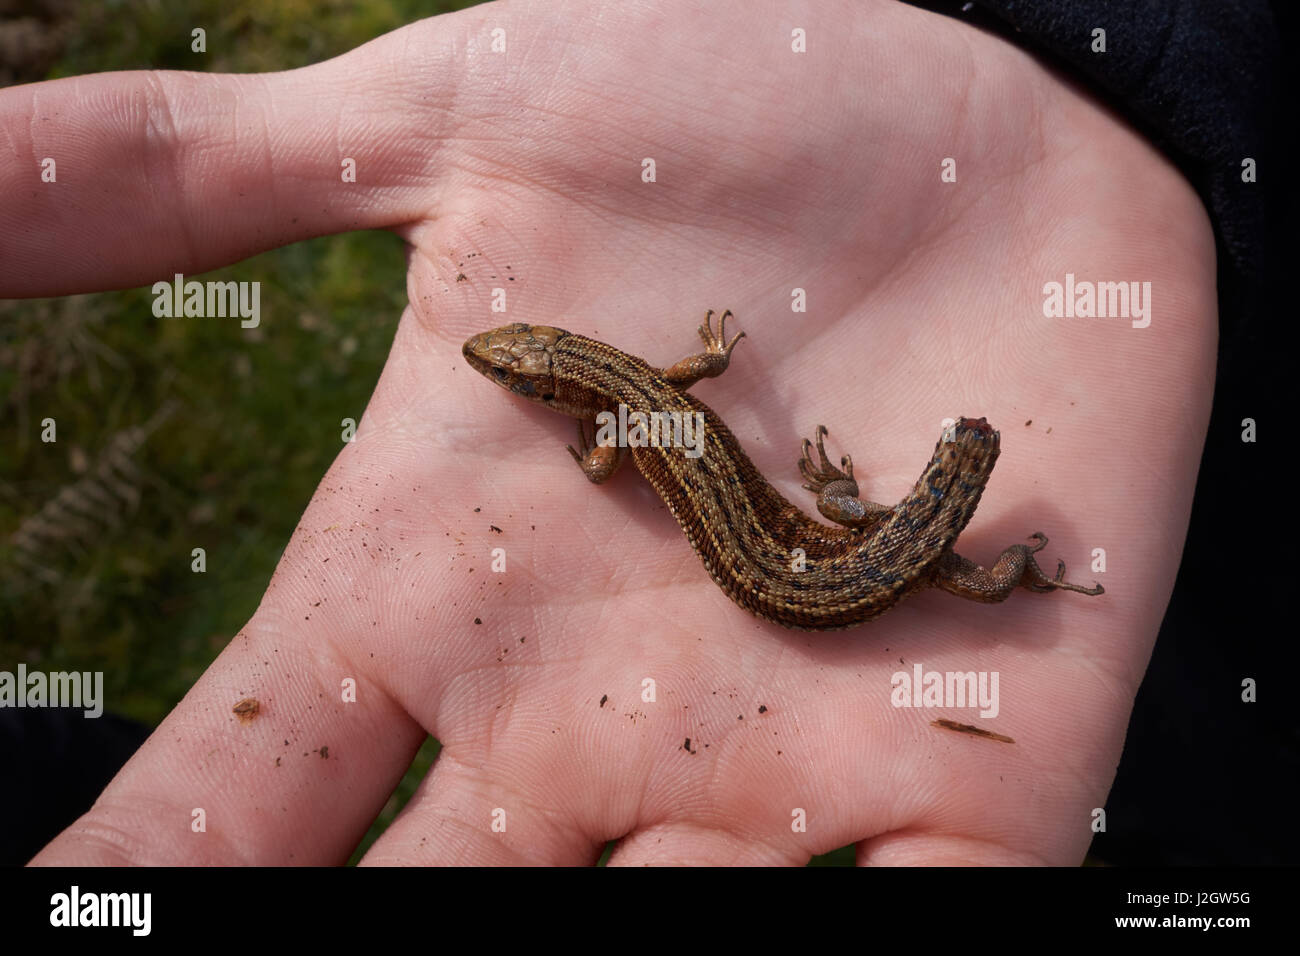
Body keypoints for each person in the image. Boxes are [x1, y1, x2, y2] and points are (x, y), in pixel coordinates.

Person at [3, 0, 1243, 865]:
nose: (502, 370)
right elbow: (688, 375)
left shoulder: (611, 421)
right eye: (510, 365)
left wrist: (597, 449)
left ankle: (1006, 571)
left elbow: (610, 450)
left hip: (810, 582)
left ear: (563, 381)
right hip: (822, 570)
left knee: (923, 571)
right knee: (910, 563)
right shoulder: (637, 384)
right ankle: (1010, 574)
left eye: (514, 366)